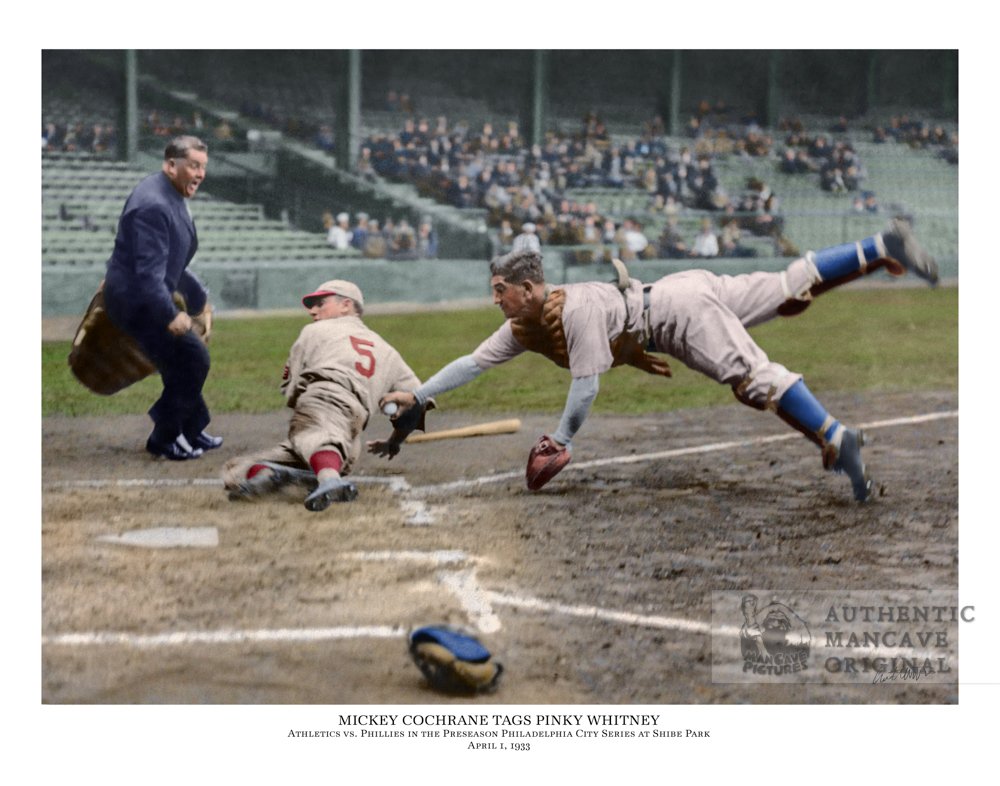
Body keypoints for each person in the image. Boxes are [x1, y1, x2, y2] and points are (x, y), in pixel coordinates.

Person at [371, 219, 939, 503]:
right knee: (790, 290)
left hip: (677, 317)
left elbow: (586, 386)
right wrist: (420, 395)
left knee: (751, 379)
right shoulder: (523, 324)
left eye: (500, 289)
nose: (494, 299)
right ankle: (878, 247)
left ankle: (834, 435)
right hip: (676, 293)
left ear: (526, 285)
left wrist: (562, 439)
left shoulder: (575, 310)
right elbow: (471, 363)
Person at [223, 280, 428, 512]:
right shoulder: (388, 351)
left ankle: (329, 480)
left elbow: (291, 389)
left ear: (346, 305)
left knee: (319, 437)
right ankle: (298, 476)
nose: (312, 310)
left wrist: (307, 405)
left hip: (324, 402)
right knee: (240, 470)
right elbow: (417, 402)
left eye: (321, 303)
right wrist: (395, 441)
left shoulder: (315, 330)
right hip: (350, 433)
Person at [102, 135, 220, 461]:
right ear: (170, 165)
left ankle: (191, 429)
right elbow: (149, 275)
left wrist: (199, 301)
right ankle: (164, 438)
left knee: (179, 362)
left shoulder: (169, 195)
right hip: (136, 302)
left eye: (203, 167)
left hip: (144, 294)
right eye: (193, 165)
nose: (200, 173)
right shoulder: (153, 205)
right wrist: (171, 314)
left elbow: (175, 264)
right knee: (194, 359)